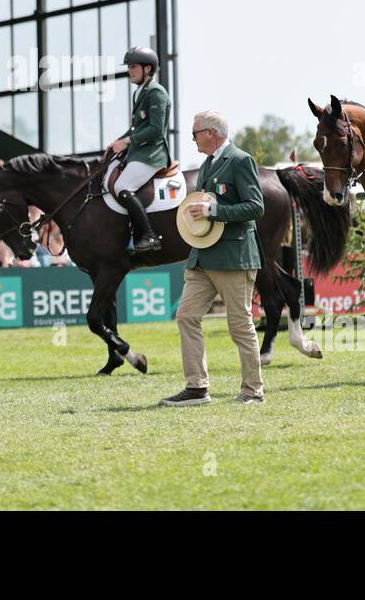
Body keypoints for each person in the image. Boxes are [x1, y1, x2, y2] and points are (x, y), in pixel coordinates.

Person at [162, 110, 266, 406]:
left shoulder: (241, 160)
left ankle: (253, 390)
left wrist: (214, 212)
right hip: (203, 256)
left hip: (235, 256)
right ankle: (197, 387)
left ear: (210, 133)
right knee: (186, 315)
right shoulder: (207, 164)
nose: (192, 138)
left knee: (239, 325)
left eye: (194, 133)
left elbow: (256, 207)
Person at [104, 46, 171, 253]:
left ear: (148, 69)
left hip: (152, 155)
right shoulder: (139, 93)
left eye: (133, 67)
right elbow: (137, 127)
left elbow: (156, 130)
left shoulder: (156, 93)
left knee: (122, 187)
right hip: (138, 153)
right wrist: (119, 140)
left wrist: (127, 142)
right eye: (129, 67)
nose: (130, 71)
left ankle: (149, 236)